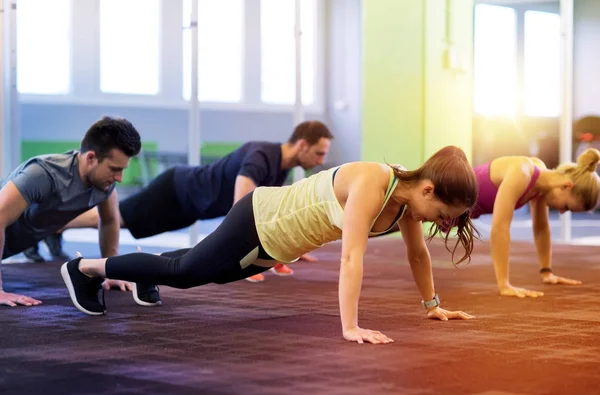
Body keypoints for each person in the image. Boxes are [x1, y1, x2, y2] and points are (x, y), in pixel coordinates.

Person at [61, 145, 479, 344]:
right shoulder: (375, 182)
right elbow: (351, 257)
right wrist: (350, 327)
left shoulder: (408, 205)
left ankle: (139, 274)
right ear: (427, 189)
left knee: (204, 269)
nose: (441, 224)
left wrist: (432, 305)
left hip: (279, 243)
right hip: (261, 219)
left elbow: (417, 253)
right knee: (186, 273)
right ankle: (86, 270)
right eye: (444, 214)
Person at [55, 120, 333, 291]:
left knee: (127, 222)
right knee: (118, 217)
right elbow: (243, 205)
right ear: (302, 145)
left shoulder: (280, 167)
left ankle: (55, 228)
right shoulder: (262, 155)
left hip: (190, 204)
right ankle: (52, 225)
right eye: (319, 152)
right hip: (177, 189)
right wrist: (238, 248)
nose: (321, 160)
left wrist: (291, 243)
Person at [0, 116, 142, 308]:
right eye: (114, 169)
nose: (120, 178)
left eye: (122, 169)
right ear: (91, 158)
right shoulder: (43, 174)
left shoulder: (104, 184)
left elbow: (108, 221)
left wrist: (111, 271)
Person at [440, 148, 600, 298]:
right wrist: (504, 285)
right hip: (445, 198)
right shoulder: (522, 172)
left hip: (458, 212)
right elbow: (500, 228)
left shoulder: (541, 183)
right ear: (567, 186)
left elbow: (541, 228)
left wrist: (547, 272)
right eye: (566, 207)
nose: (562, 212)